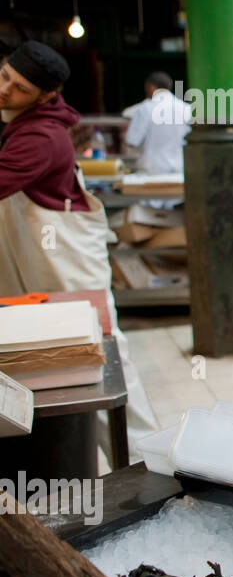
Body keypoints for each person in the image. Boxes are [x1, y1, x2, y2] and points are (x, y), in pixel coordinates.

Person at [0, 42, 158, 452]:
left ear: (46, 95)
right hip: (42, 267)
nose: (4, 90)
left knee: (97, 359)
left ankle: (142, 461)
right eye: (4, 77)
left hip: (68, 270)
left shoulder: (40, 136)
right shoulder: (22, 122)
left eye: (17, 87)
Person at [123, 71, 191, 175]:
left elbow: (132, 141)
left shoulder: (145, 108)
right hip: (180, 169)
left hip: (151, 171)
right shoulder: (186, 109)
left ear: (151, 87)